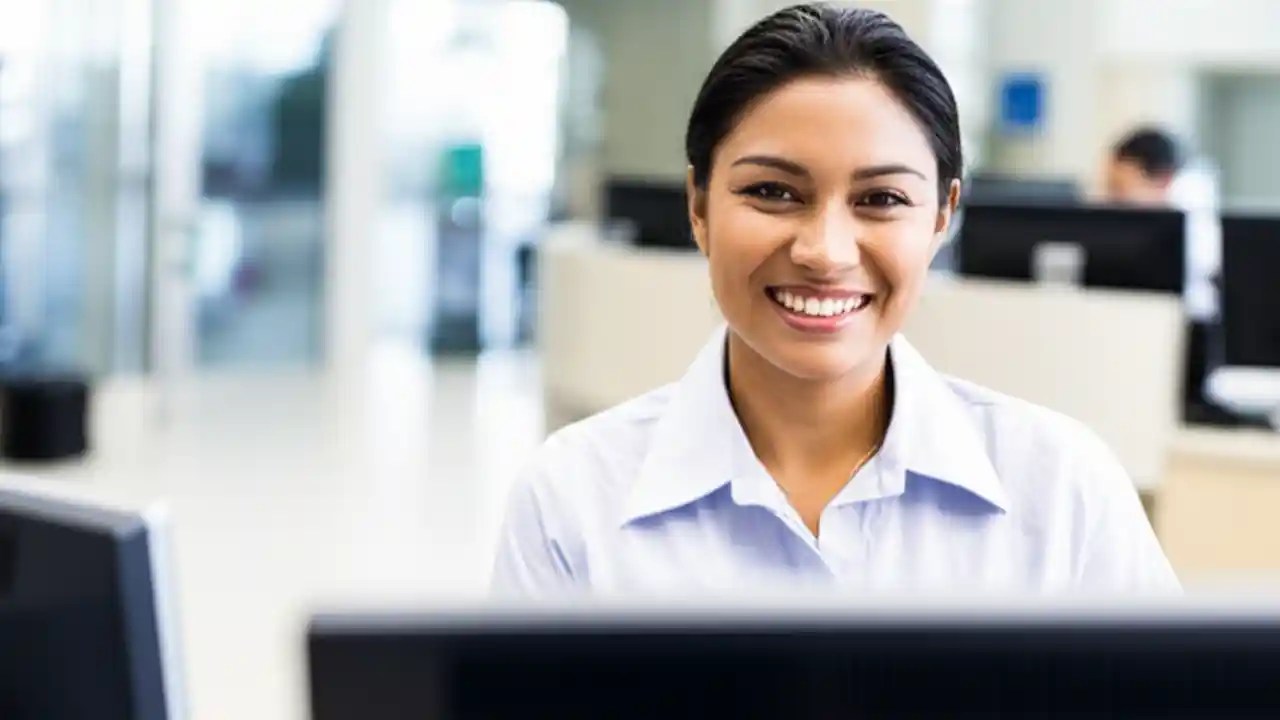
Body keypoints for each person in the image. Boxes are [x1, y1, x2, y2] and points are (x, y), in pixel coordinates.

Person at [493, 3, 1178, 596]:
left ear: (942, 217)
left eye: (880, 199)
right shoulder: (573, 499)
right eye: (772, 192)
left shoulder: (1061, 491)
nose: (825, 250)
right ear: (699, 207)